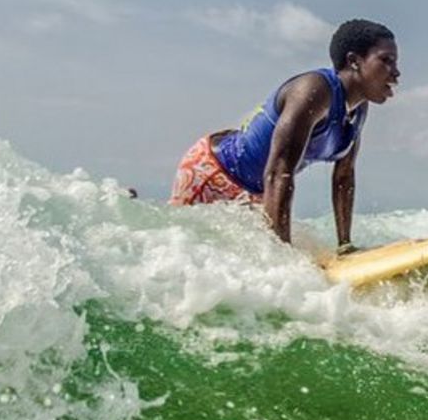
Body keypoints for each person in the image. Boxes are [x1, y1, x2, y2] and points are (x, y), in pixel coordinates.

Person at [169, 19, 399, 255]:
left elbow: (344, 176)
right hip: (213, 173)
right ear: (354, 61)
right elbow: (279, 172)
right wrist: (284, 258)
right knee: (182, 253)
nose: (396, 72)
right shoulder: (314, 91)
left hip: (258, 193)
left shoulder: (358, 110)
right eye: (386, 60)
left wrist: (345, 246)